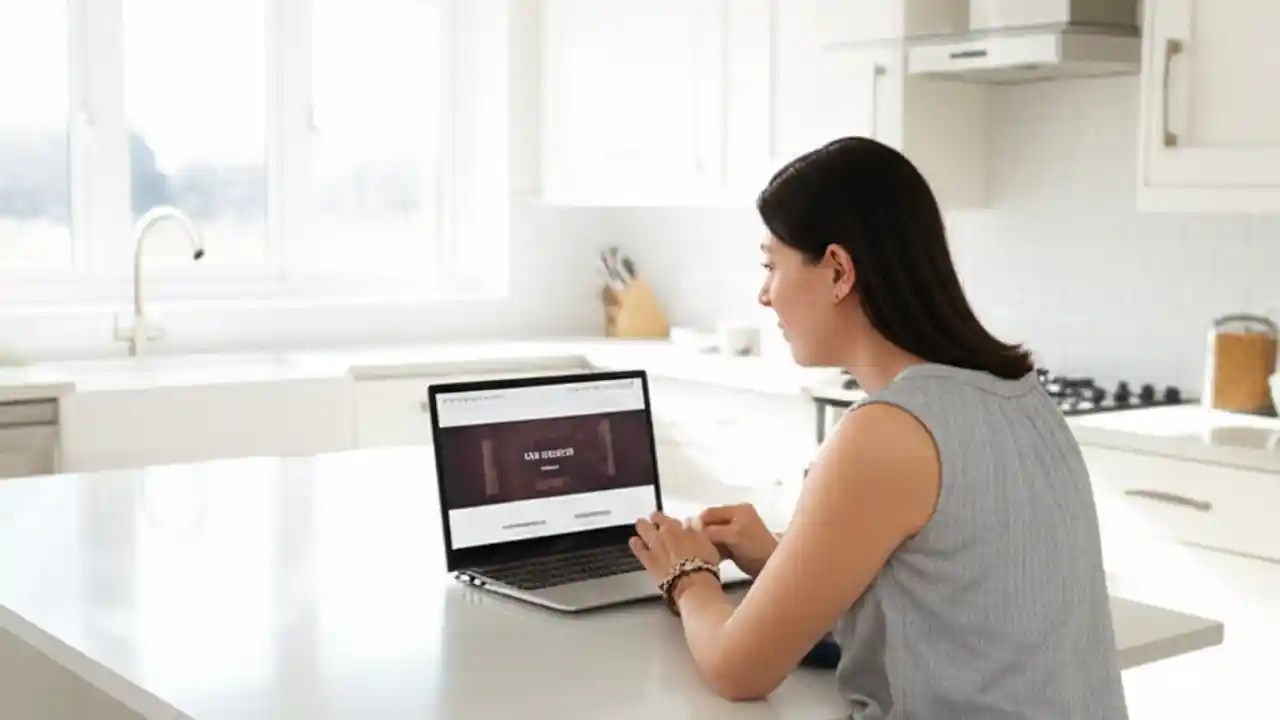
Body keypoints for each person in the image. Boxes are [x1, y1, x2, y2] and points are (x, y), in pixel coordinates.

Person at [627, 137, 1127, 719]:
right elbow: (954, 600)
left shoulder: (886, 433)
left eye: (771, 266)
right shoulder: (1022, 396)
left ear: (838, 271)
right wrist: (783, 559)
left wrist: (689, 576)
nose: (764, 295)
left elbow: (739, 668)